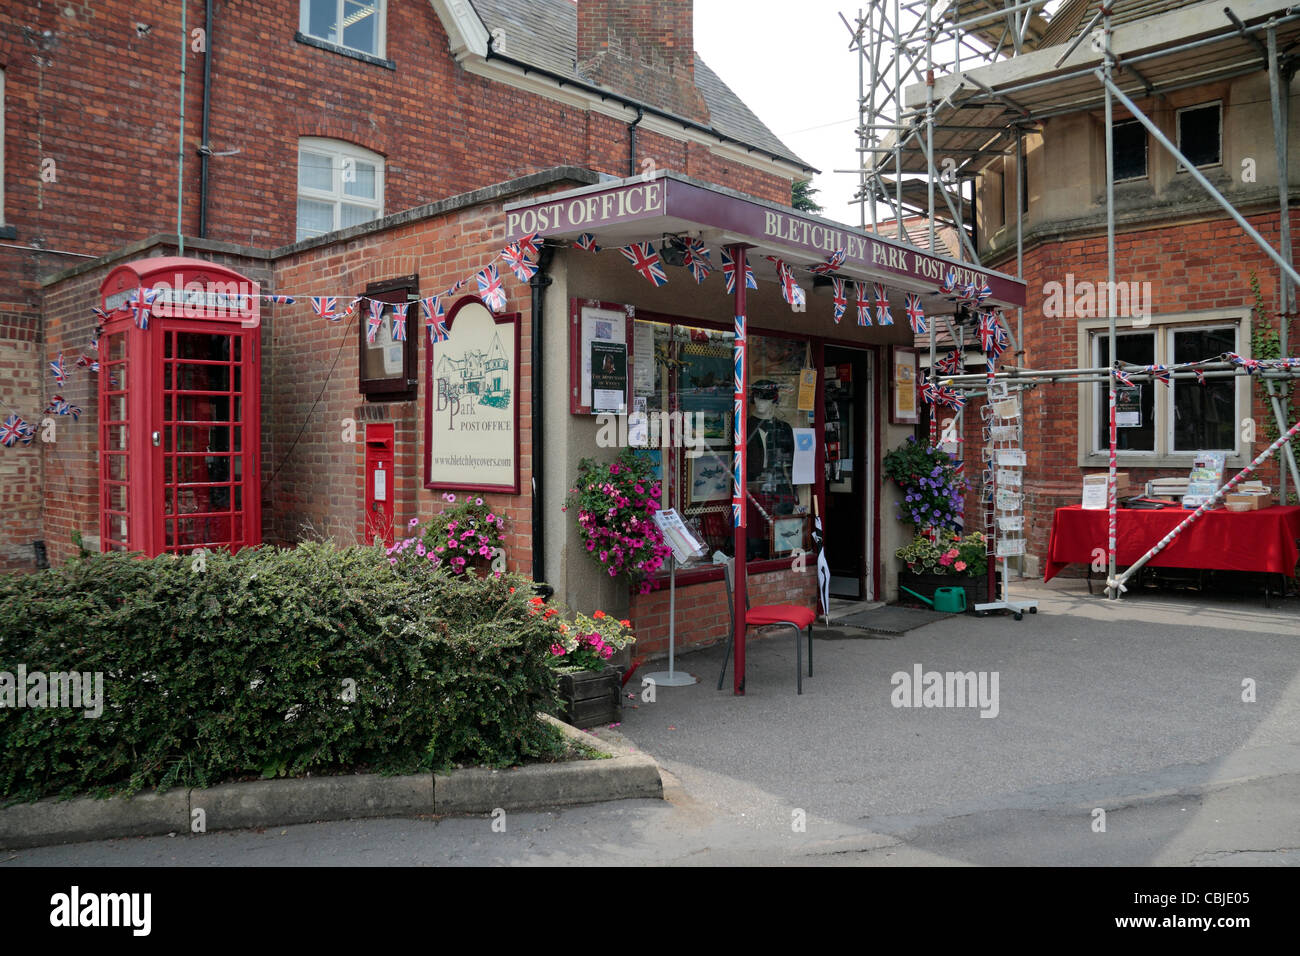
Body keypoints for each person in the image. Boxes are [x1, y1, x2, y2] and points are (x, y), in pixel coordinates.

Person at [746, 379, 796, 558]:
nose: (760, 403)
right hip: (752, 488)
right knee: (754, 536)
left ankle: (777, 561)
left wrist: (793, 492)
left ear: (774, 401)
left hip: (778, 487)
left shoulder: (783, 428)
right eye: (758, 398)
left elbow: (790, 463)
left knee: (779, 535)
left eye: (765, 399)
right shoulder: (745, 426)